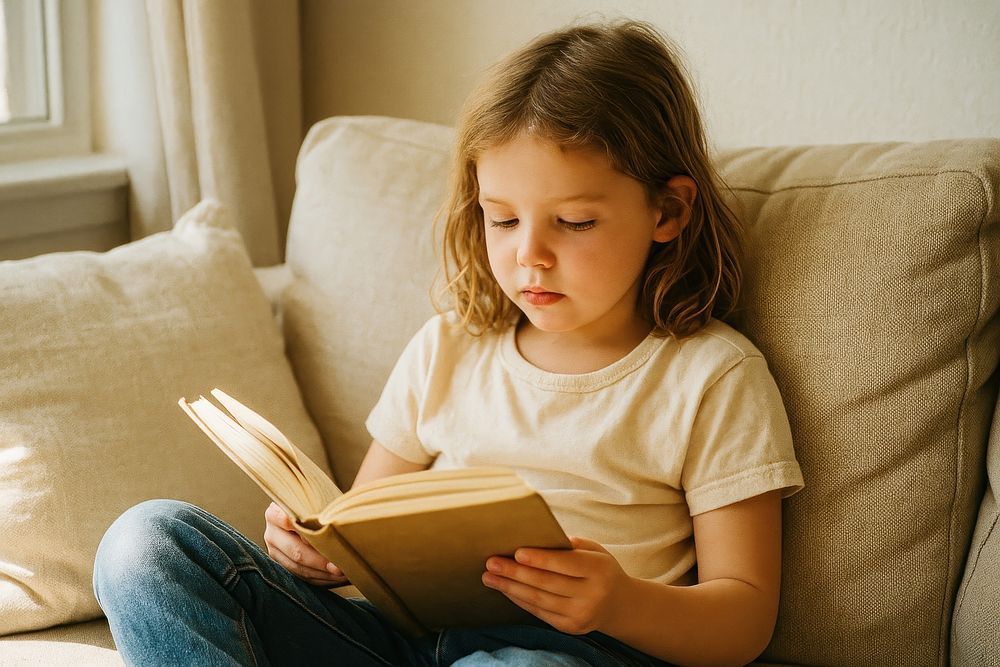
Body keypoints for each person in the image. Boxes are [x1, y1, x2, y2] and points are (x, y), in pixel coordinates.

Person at [94, 19, 803, 666]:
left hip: (572, 655)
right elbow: (365, 525)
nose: (531, 255)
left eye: (575, 223)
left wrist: (619, 600)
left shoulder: (712, 377)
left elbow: (743, 620)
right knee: (145, 543)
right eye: (502, 220)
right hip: (397, 641)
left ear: (668, 210)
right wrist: (321, 550)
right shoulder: (449, 348)